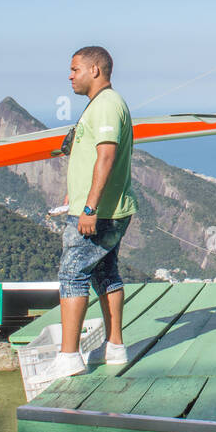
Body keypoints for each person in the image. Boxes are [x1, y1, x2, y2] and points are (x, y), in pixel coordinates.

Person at [52, 46, 139, 378]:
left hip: (98, 213)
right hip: (109, 209)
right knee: (106, 273)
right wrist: (76, 196)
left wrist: (89, 207)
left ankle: (69, 356)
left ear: (95, 71)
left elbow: (106, 157)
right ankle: (115, 346)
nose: (70, 75)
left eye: (75, 69)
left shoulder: (105, 106)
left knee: (72, 275)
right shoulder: (104, 105)